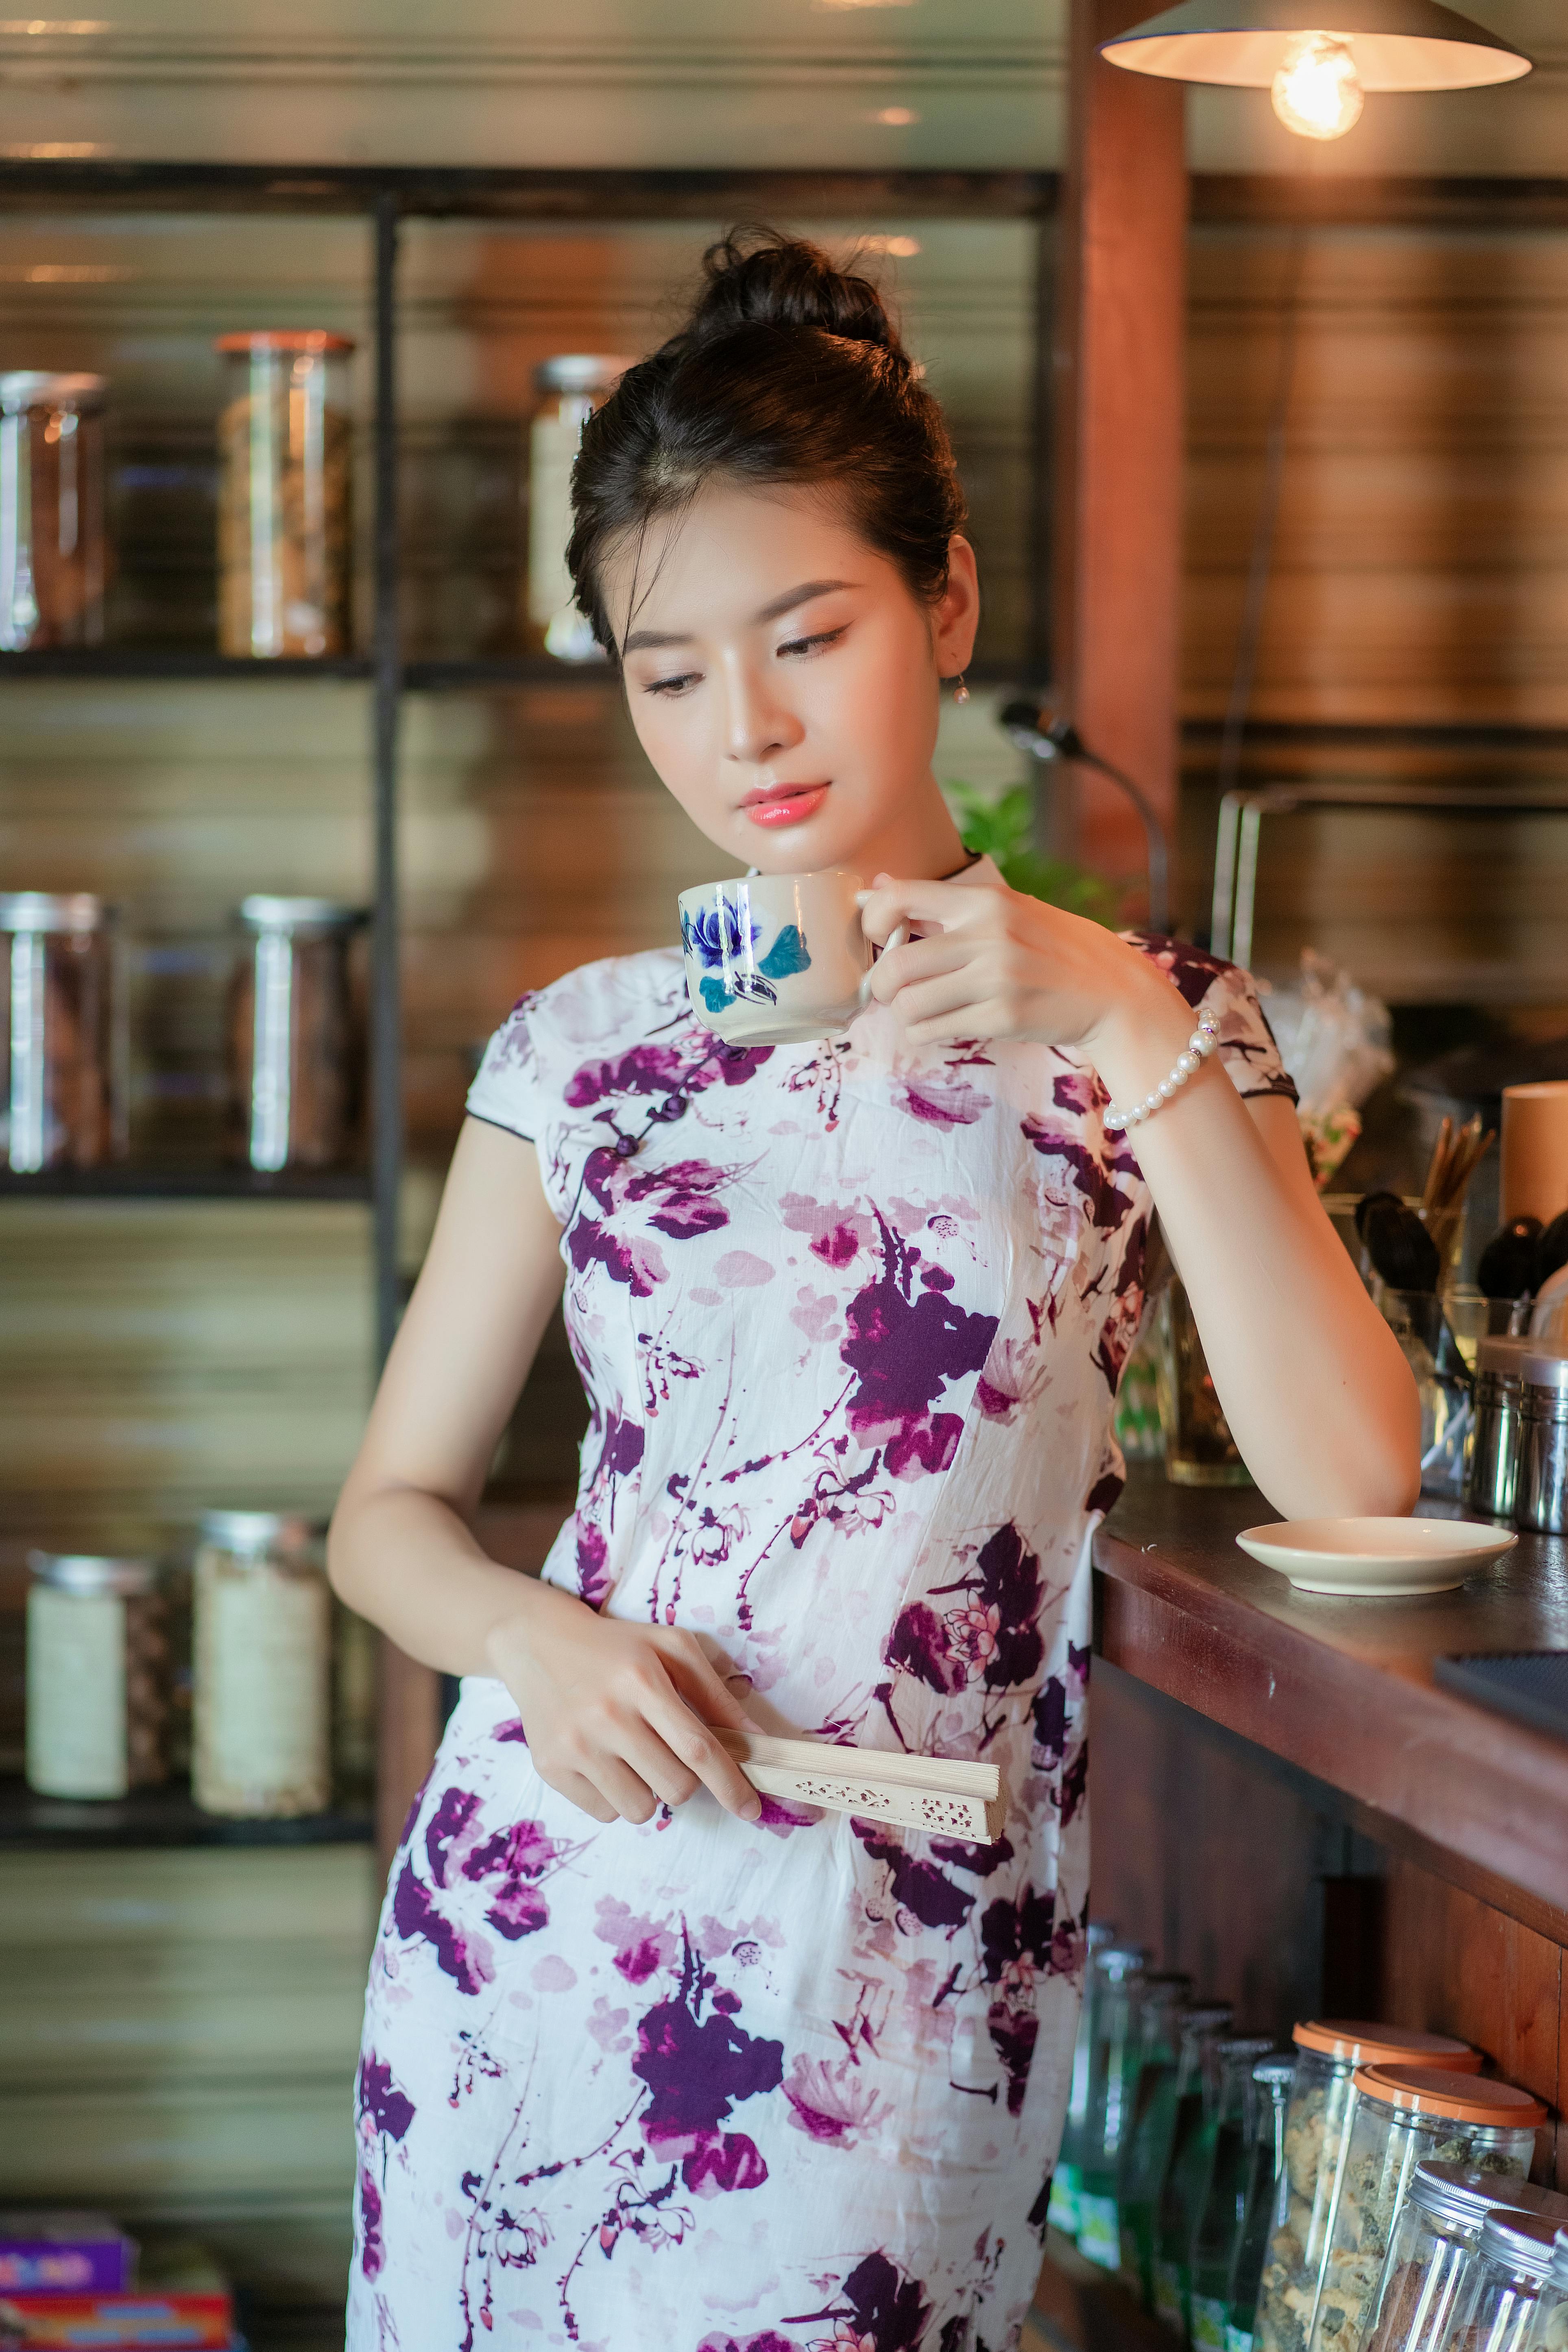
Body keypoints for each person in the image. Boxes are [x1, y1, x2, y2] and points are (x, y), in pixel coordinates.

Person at [330, 229, 1419, 2352]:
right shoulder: (581, 1054)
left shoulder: (1162, 1028)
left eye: (807, 633)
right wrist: (532, 1639)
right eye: (668, 671)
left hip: (900, 1967)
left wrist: (1108, 1002)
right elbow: (384, 1515)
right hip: (540, 1917)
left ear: (947, 605)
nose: (744, 726)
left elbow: (1356, 1476)